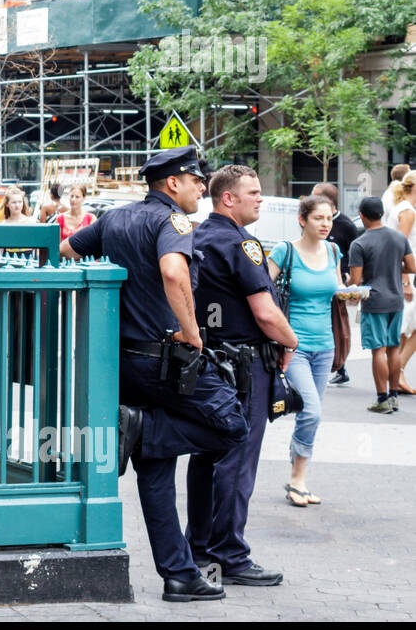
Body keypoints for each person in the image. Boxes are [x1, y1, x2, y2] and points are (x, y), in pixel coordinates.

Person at [60, 146, 247, 603]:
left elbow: (64, 250)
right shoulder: (173, 221)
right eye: (196, 180)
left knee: (156, 468)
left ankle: (179, 576)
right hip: (166, 358)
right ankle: (143, 430)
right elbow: (171, 270)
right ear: (172, 184)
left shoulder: (115, 218)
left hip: (123, 359)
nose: (203, 187)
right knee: (233, 427)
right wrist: (193, 332)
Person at [188, 164, 297, 587]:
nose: (260, 198)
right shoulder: (241, 243)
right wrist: (291, 343)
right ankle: (229, 554)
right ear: (227, 198)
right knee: (237, 460)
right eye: (253, 192)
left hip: (205, 362)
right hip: (243, 366)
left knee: (205, 456)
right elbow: (266, 313)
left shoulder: (195, 237)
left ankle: (199, 548)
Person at [268, 195, 346, 507]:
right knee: (311, 411)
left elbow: (337, 289)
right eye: (319, 218)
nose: (326, 224)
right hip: (293, 347)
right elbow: (262, 290)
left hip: (326, 346)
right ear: (303, 220)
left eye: (329, 218)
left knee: (312, 414)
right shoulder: (284, 251)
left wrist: (352, 296)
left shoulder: (334, 251)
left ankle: (298, 477)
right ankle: (297, 478)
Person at [349, 196, 415, 414]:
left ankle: (382, 399)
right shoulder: (398, 237)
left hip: (374, 300)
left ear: (362, 216)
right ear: (381, 214)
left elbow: (356, 282)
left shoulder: (360, 243)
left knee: (378, 350)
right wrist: (393, 268)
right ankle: (394, 397)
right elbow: (411, 266)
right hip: (396, 299)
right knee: (393, 348)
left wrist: (347, 286)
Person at [313, 182, 357, 385]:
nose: (324, 223)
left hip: (336, 280)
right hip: (316, 280)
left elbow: (351, 252)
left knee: (336, 325)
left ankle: (341, 365)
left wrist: (347, 277)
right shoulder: (312, 223)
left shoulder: (347, 225)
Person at [384, 170, 416, 394]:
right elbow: (401, 246)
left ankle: (397, 373)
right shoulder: (408, 211)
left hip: (406, 274)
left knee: (406, 329)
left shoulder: (403, 207)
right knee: (408, 327)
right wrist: (405, 280)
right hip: (409, 274)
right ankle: (398, 372)